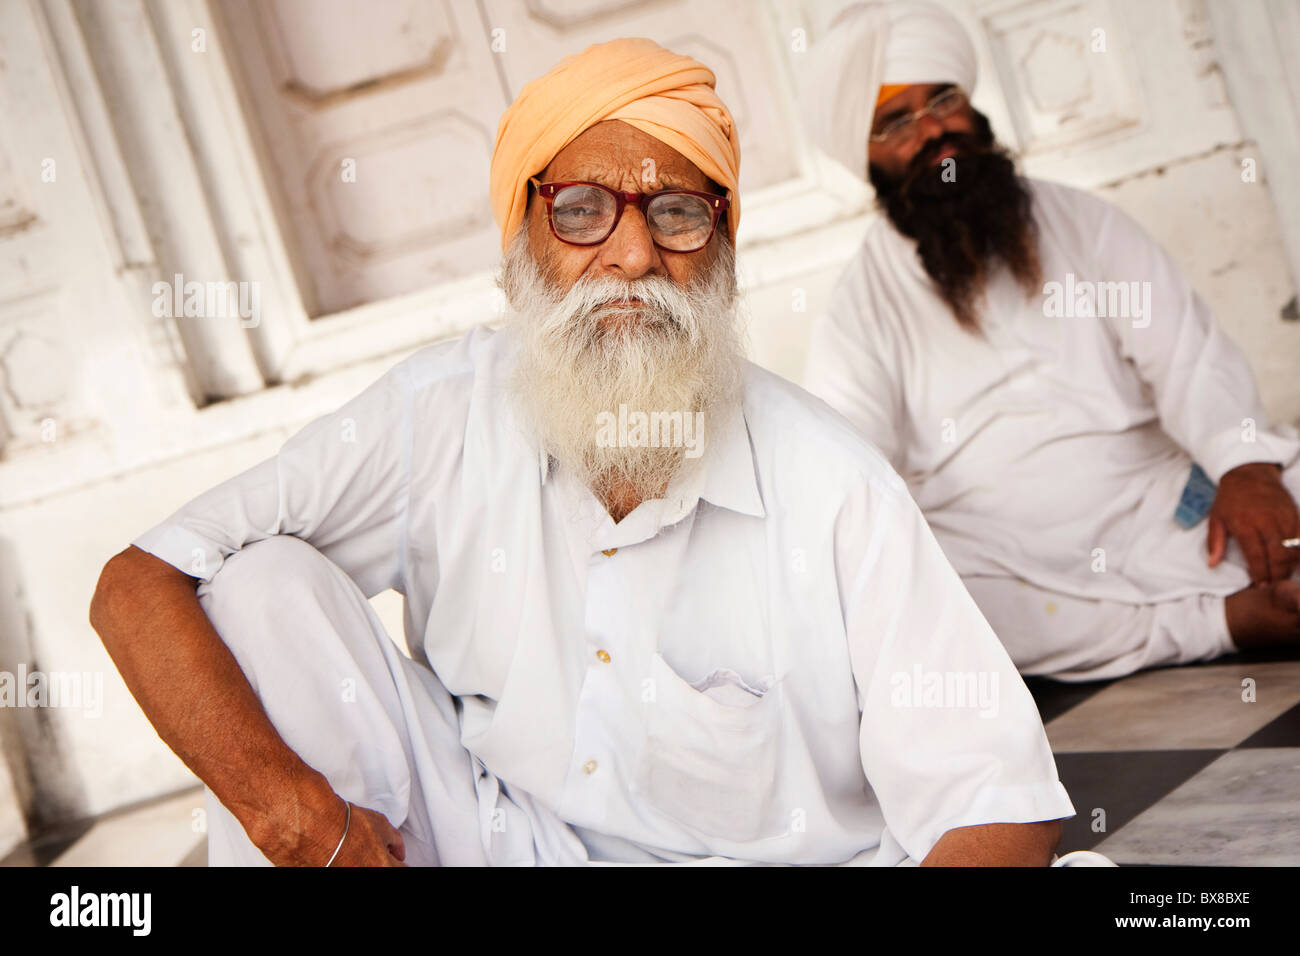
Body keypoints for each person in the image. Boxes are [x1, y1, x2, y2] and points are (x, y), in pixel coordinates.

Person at [90, 37, 1074, 867]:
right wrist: (285, 805)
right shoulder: (439, 411)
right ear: (526, 233)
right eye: (581, 210)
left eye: (677, 211)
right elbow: (135, 583)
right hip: (497, 839)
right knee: (258, 583)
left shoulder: (831, 484)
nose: (634, 256)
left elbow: (995, 800)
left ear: (723, 243)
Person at [799, 1, 1300, 683]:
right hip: (1007, 559)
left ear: (972, 105)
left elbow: (1188, 357)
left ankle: (1242, 594)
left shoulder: (1084, 222)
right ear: (866, 158)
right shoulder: (860, 308)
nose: (934, 131)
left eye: (943, 97)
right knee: (933, 599)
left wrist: (1244, 467)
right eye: (896, 121)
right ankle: (1215, 621)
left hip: (1161, 502)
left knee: (1282, 486)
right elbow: (850, 472)